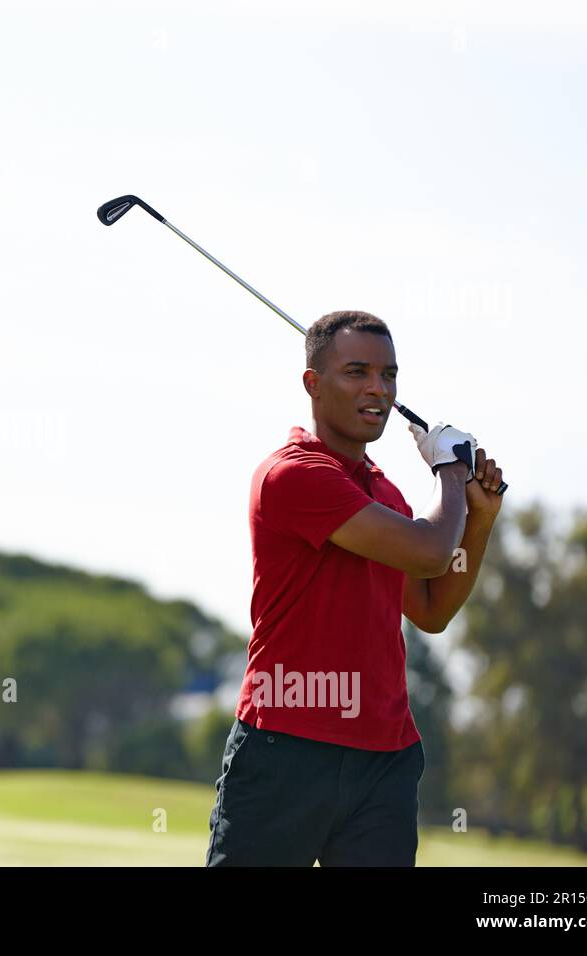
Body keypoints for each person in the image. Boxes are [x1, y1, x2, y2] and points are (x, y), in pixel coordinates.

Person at [205, 310, 505, 867]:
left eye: (389, 375)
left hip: (384, 759)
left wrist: (479, 517)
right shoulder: (292, 475)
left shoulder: (386, 496)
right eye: (357, 371)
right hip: (286, 747)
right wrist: (449, 473)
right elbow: (432, 548)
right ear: (312, 384)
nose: (378, 389)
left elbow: (432, 608)